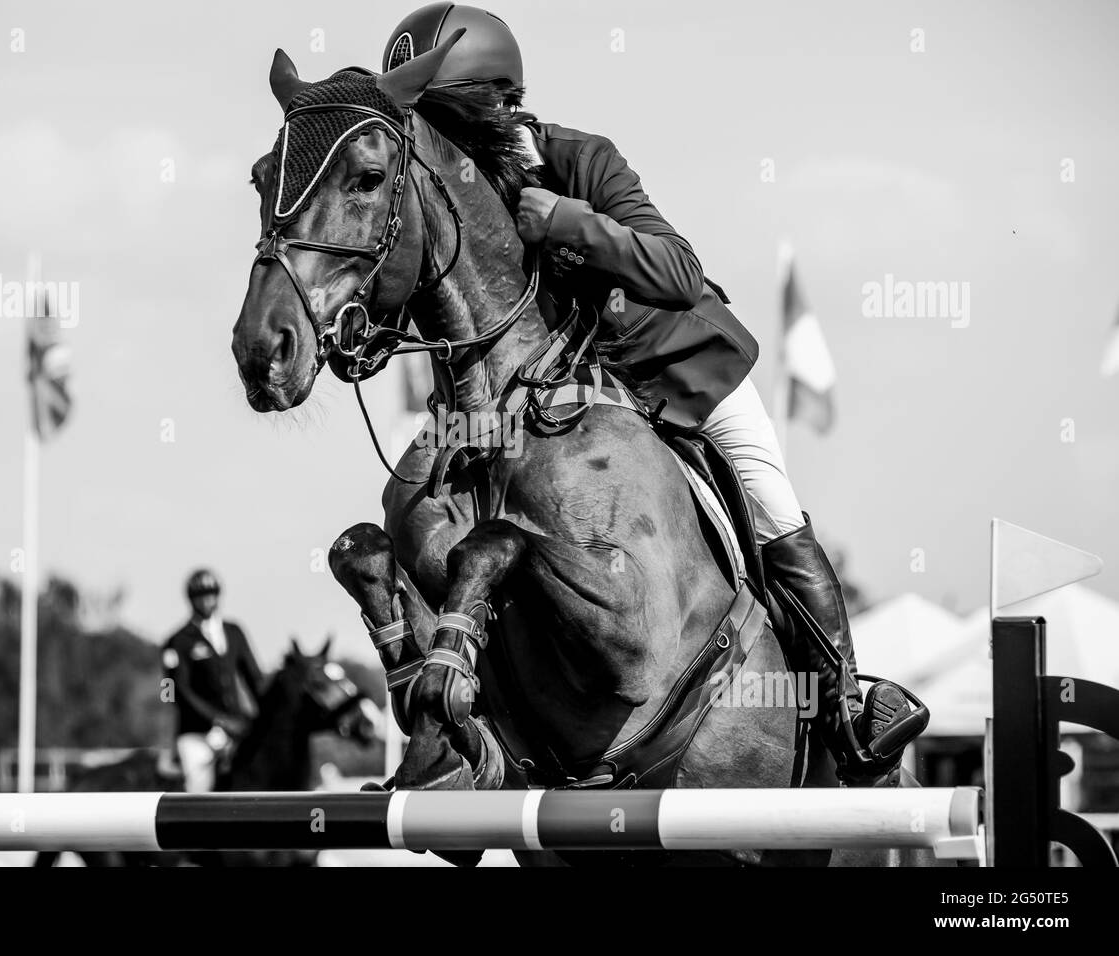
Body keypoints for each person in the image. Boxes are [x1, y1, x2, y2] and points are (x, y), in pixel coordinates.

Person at [381, 3, 926, 784]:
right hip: (566, 401)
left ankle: (846, 709)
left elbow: (677, 271)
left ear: (492, 103)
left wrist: (570, 221)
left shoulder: (580, 158)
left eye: (436, 120)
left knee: (773, 511)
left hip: (683, 377)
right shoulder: (458, 203)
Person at [161, 569, 265, 793]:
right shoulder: (177, 641)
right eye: (201, 597)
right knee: (199, 786)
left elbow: (255, 679)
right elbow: (176, 692)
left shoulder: (234, 631)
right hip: (197, 733)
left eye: (211, 595)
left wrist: (264, 713)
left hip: (238, 728)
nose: (207, 601)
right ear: (192, 600)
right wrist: (218, 720)